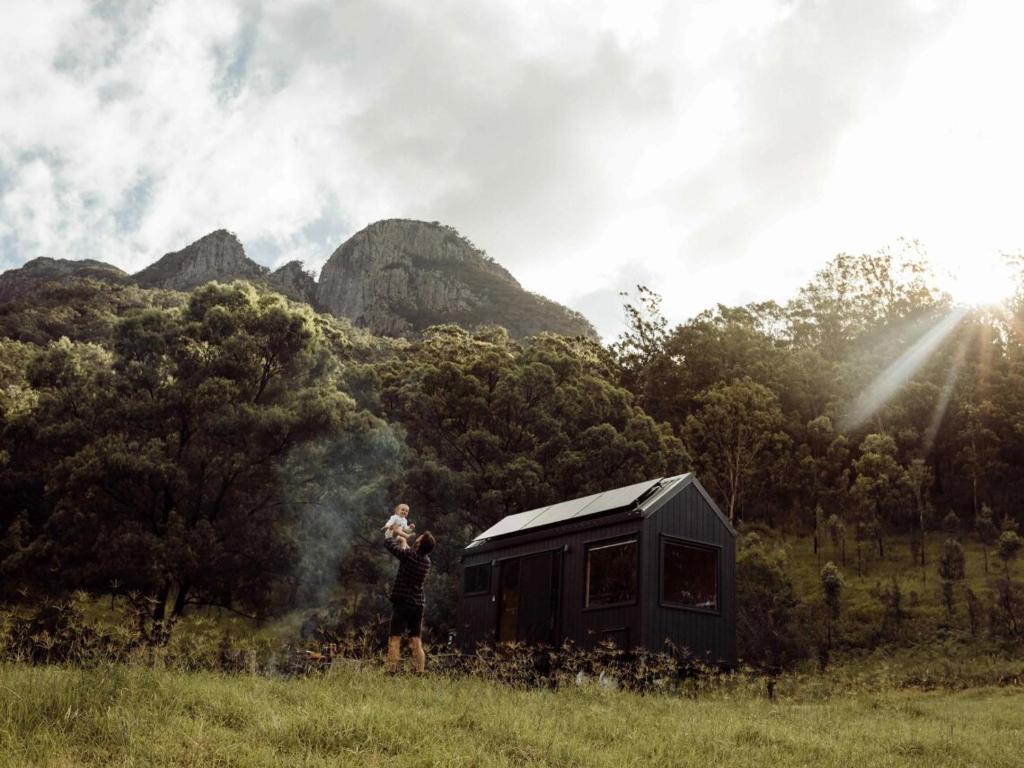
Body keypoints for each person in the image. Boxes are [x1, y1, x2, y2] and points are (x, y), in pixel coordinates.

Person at [385, 530, 435, 673]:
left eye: (418, 538)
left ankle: (391, 671)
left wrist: (390, 533)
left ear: (418, 543)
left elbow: (389, 545)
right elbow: (409, 554)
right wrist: (404, 542)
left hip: (402, 602)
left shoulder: (409, 555)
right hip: (418, 604)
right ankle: (420, 672)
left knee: (394, 638)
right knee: (416, 641)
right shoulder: (427, 562)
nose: (416, 539)